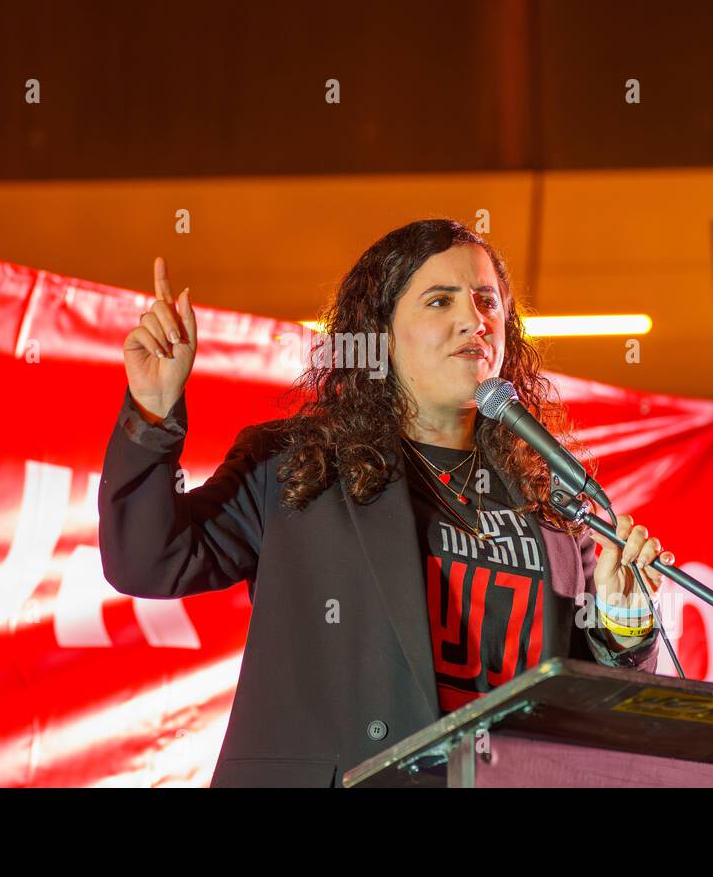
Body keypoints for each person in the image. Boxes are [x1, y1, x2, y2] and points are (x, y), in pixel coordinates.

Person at [99, 219, 676, 787]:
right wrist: (152, 412)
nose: (472, 321)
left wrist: (622, 625)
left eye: (486, 301)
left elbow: (584, 710)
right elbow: (150, 560)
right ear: (381, 335)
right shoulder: (296, 467)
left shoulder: (549, 504)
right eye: (439, 301)